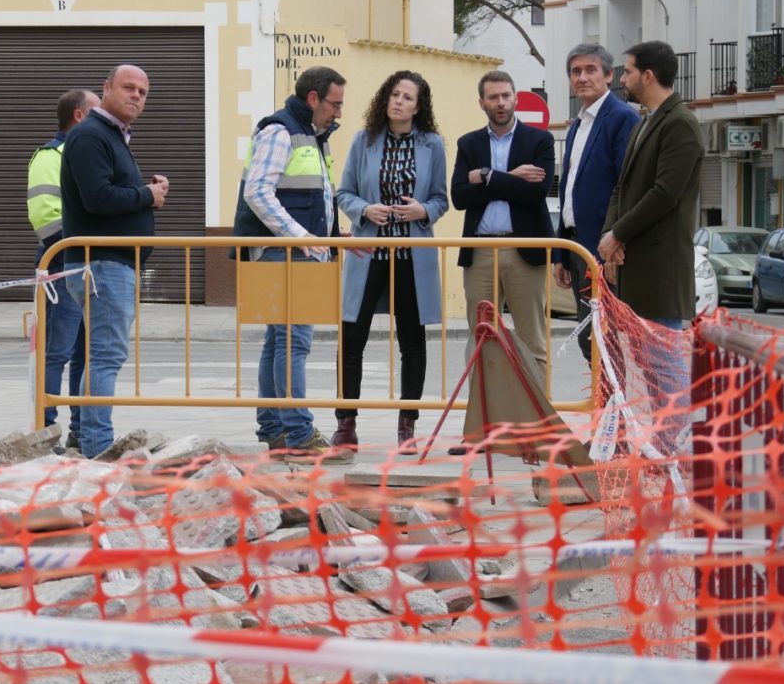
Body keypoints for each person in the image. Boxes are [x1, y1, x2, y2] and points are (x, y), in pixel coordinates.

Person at [231, 65, 352, 463]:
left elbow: (313, 198)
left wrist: (332, 240)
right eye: (335, 104)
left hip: (293, 251)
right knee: (292, 341)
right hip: (285, 253)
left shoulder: (313, 138)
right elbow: (258, 192)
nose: (338, 112)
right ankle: (297, 433)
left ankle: (277, 429)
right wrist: (301, 237)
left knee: (278, 341)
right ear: (313, 99)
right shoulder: (281, 132)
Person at [332, 71, 448, 454]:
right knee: (352, 338)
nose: (399, 101)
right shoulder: (363, 141)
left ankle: (408, 426)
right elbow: (343, 193)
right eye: (394, 94)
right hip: (369, 253)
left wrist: (422, 210)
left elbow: (440, 199)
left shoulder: (433, 144)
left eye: (408, 97)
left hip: (412, 256)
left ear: (419, 106)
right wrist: (365, 209)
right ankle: (346, 425)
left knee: (413, 342)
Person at [598, 41, 703, 457]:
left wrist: (618, 234)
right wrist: (611, 237)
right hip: (635, 264)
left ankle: (674, 445)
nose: (621, 79)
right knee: (649, 362)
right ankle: (664, 445)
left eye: (626, 72)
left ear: (648, 75)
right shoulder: (646, 122)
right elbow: (623, 189)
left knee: (664, 361)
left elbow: (665, 193)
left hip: (661, 266)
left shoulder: (681, 124)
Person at [60, 65, 167, 459]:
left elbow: (110, 191)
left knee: (97, 356)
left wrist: (146, 192)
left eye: (143, 90)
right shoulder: (91, 135)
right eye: (128, 87)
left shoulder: (111, 136)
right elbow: (98, 198)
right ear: (105, 89)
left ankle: (90, 442)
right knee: (105, 357)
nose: (137, 95)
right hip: (103, 263)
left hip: (108, 263)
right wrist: (147, 196)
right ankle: (97, 448)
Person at [450, 71, 555, 379]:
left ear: (516, 99)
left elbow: (535, 192)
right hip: (480, 252)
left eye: (506, 96)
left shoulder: (540, 141)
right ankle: (485, 421)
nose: (500, 103)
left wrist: (487, 176)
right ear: (481, 102)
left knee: (532, 341)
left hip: (526, 250)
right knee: (482, 339)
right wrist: (511, 177)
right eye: (493, 97)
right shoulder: (468, 144)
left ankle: (535, 424)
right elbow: (459, 196)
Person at [554, 44, 640, 362]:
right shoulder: (578, 125)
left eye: (590, 70)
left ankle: (613, 410)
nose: (582, 77)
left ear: (609, 75)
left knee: (607, 339)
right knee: (589, 338)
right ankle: (604, 408)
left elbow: (627, 187)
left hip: (606, 248)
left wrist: (618, 240)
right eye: (575, 72)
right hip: (578, 248)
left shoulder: (622, 118)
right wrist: (561, 253)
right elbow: (570, 193)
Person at [26, 88, 99, 448]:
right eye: (97, 110)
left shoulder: (88, 152)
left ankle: (81, 432)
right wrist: (83, 237)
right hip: (63, 261)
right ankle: (45, 432)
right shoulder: (49, 156)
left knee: (86, 351)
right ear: (79, 115)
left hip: (90, 263)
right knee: (58, 349)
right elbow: (44, 217)